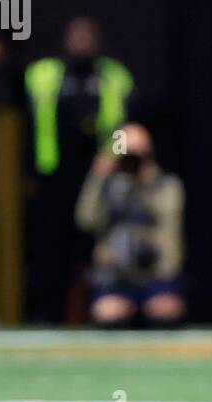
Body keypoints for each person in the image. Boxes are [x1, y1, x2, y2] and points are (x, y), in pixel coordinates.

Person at [24, 16, 134, 322]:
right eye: (77, 36)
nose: (82, 42)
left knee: (91, 248)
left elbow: (124, 127)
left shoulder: (115, 77)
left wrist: (116, 161)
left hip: (98, 178)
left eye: (88, 36)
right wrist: (29, 173)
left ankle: (94, 311)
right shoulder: (43, 74)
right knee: (50, 248)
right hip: (53, 176)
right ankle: (46, 315)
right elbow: (27, 125)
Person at [74, 123, 185, 327]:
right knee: (108, 313)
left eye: (136, 155)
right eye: (126, 155)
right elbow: (86, 220)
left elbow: (170, 235)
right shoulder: (108, 186)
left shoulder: (165, 185)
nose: (131, 162)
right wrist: (98, 177)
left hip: (154, 273)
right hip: (116, 276)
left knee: (165, 311)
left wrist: (144, 181)